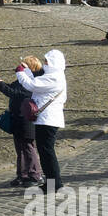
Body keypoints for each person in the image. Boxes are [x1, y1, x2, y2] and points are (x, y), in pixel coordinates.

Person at [15, 50, 67, 192]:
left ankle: (54, 185)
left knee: (47, 153)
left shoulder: (53, 78)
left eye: (47, 61)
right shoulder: (54, 75)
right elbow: (35, 82)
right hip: (47, 119)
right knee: (46, 153)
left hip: (48, 120)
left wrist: (20, 72)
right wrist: (26, 70)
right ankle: (53, 183)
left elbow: (31, 85)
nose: (44, 64)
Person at [0, 64, 43, 188]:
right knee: (20, 149)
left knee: (28, 147)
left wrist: (0, 85)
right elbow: (11, 88)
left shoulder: (32, 83)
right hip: (17, 119)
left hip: (26, 120)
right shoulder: (22, 80)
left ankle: (35, 175)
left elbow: (15, 93)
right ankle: (22, 175)